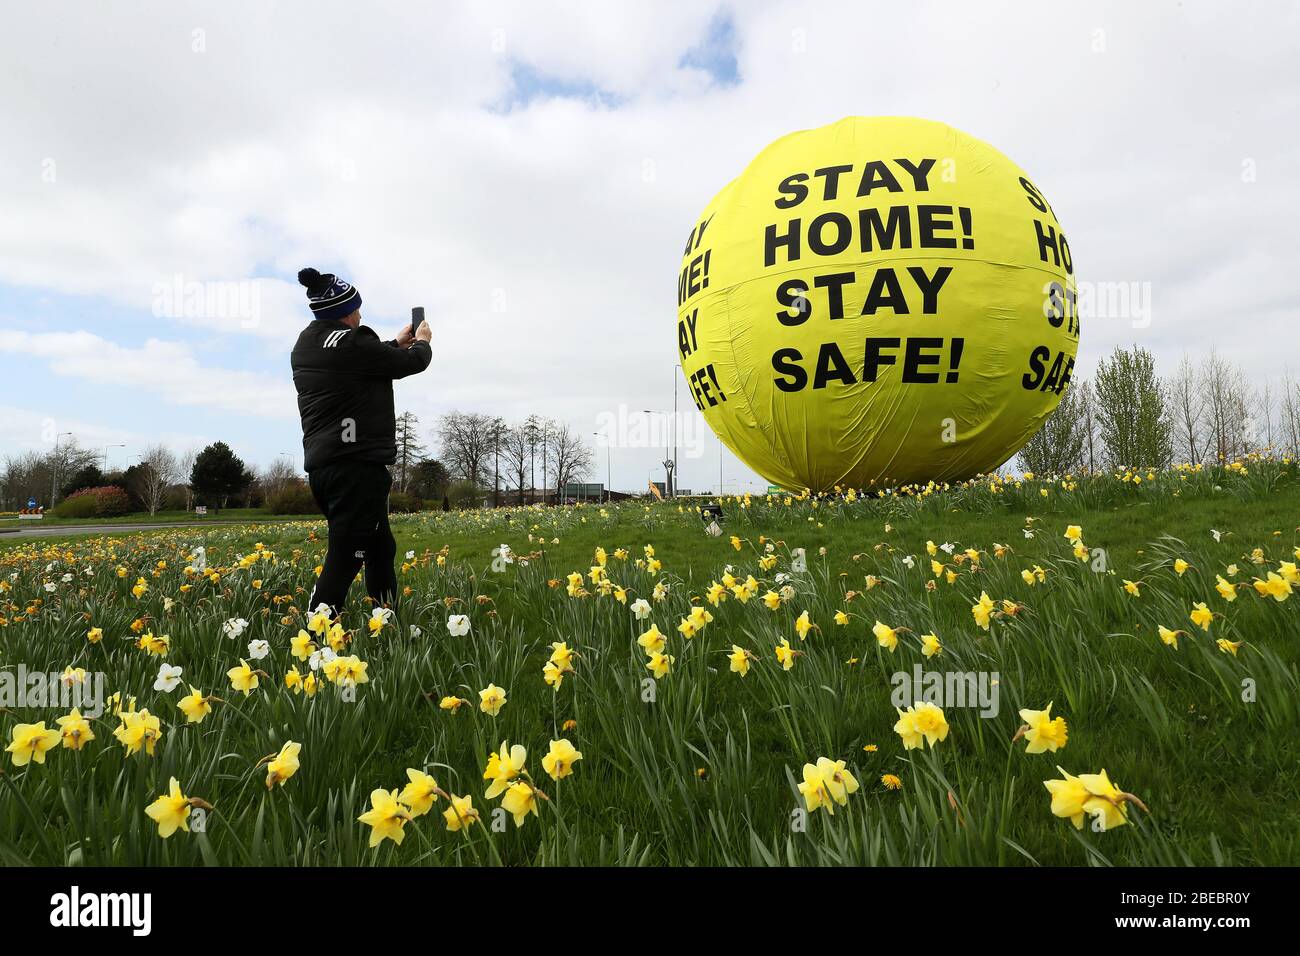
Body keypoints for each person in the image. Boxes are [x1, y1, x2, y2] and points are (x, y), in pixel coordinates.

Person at [290, 267, 432, 616]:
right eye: (355, 308)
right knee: (347, 553)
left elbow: (362, 362)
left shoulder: (307, 343)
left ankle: (384, 618)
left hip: (327, 466)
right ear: (342, 311)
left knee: (379, 547)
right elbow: (412, 363)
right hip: (355, 465)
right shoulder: (352, 343)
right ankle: (317, 633)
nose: (360, 314)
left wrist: (394, 344)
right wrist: (423, 341)